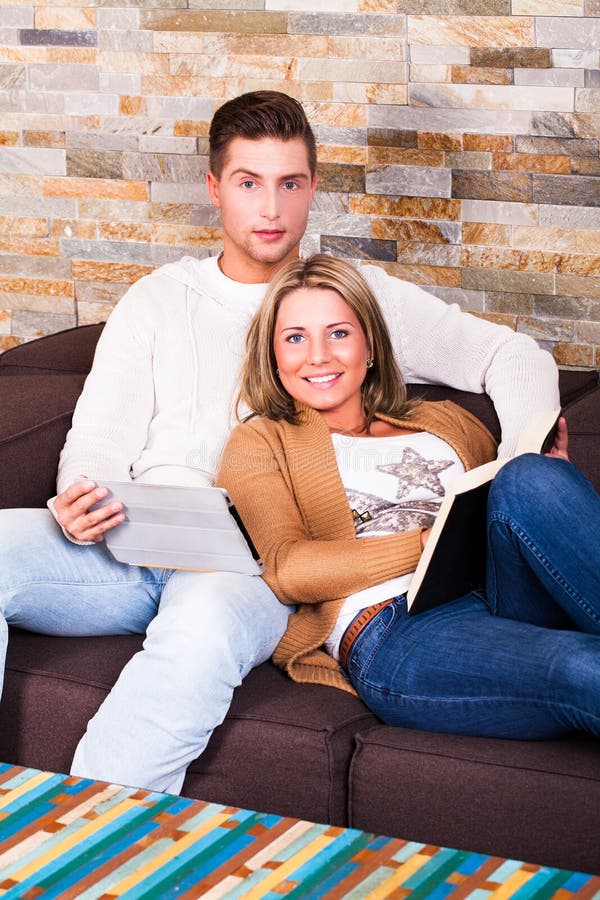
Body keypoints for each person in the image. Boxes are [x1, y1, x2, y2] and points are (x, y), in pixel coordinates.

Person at [0, 92, 561, 795]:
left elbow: (512, 356)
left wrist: (521, 462)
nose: (270, 210)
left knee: (197, 638)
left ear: (312, 189)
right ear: (214, 188)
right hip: (132, 542)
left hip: (250, 567)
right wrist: (81, 493)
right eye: (249, 183)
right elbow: (101, 431)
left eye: (289, 184)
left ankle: (91, 842)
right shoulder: (160, 297)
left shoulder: (353, 299)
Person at [217, 254, 600, 740]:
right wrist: (422, 546)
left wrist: (555, 484)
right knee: (583, 665)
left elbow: (502, 506)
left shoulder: (446, 421)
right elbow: (286, 570)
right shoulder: (262, 441)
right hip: (396, 629)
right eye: (295, 338)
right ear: (274, 355)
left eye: (338, 333)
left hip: (491, 589)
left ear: (370, 345)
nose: (317, 356)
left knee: (530, 475)